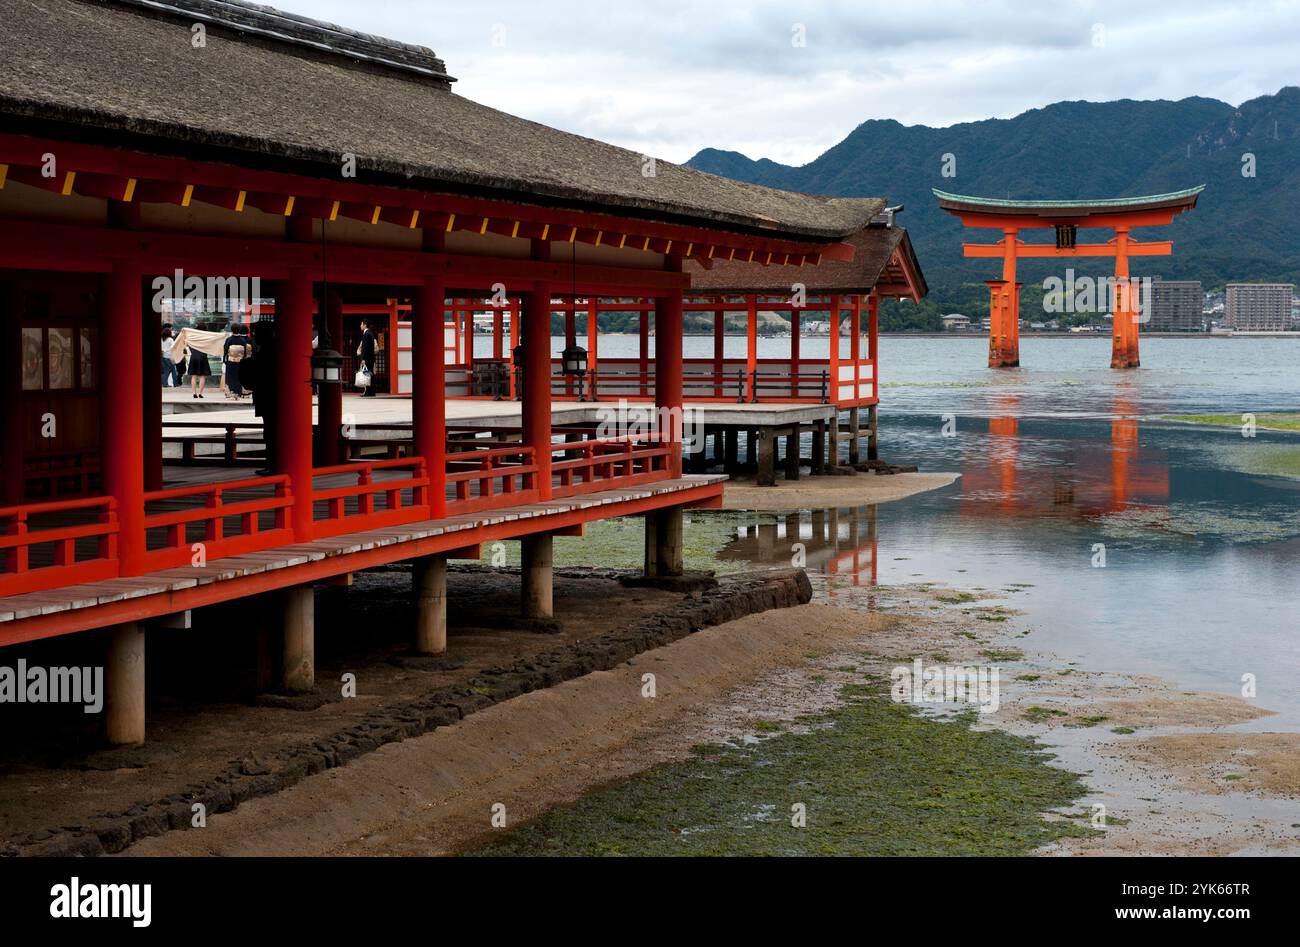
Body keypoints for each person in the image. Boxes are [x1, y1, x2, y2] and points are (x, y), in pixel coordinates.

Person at [246, 321, 278, 475]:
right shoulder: (271, 349)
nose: (254, 337)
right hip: (271, 396)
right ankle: (272, 463)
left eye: (256, 333)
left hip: (270, 396)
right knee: (271, 431)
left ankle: (273, 464)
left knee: (272, 432)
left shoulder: (267, 352)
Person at [223, 324, 251, 400]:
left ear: (232, 330)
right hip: (240, 361)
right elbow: (245, 352)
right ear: (239, 330)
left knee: (231, 377)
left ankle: (233, 393)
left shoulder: (229, 339)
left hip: (231, 361)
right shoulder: (242, 340)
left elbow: (225, 350)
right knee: (239, 377)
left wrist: (224, 360)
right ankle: (238, 393)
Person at [357, 318, 377, 396]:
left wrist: (363, 359)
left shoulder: (366, 334)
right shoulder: (370, 333)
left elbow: (365, 348)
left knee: (367, 374)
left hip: (367, 358)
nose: (360, 326)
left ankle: (368, 392)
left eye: (361, 324)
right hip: (371, 358)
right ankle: (371, 392)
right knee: (370, 374)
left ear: (365, 325)